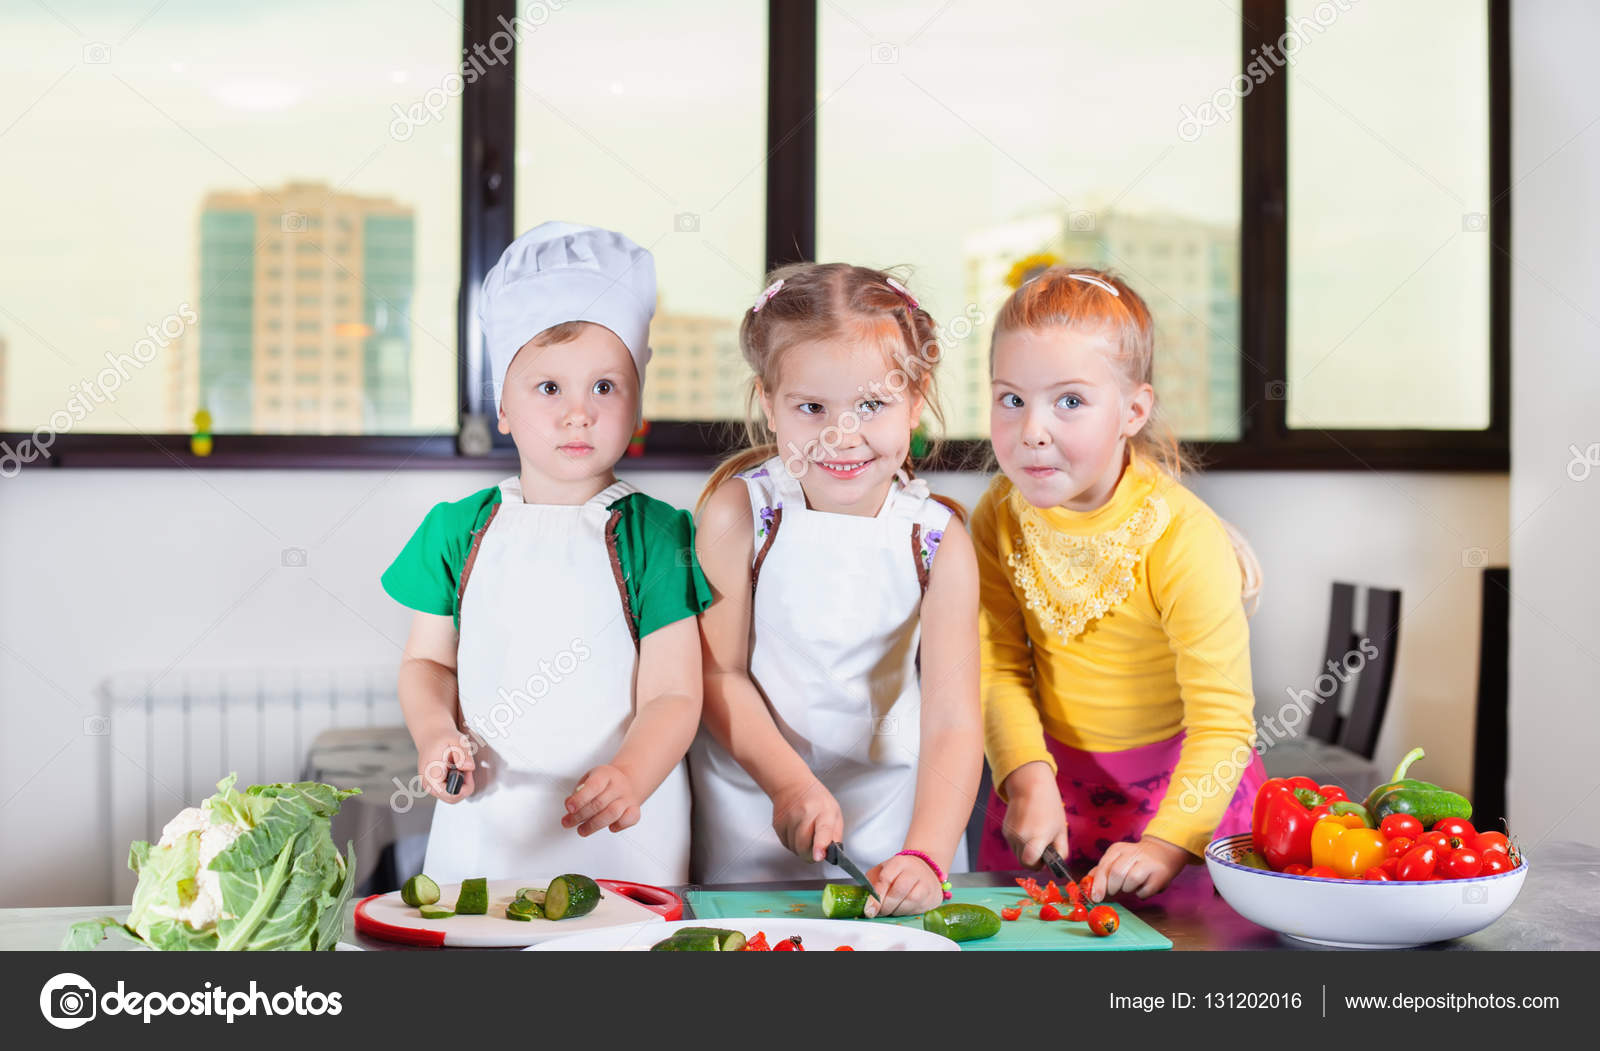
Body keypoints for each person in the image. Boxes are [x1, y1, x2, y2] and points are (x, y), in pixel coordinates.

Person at [381, 222, 710, 885]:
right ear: (501, 403)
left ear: (638, 401)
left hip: (623, 832)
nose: (578, 413)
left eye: (605, 387)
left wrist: (631, 774)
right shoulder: (457, 531)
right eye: (549, 387)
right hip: (484, 828)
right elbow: (425, 662)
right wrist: (433, 733)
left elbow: (674, 694)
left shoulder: (656, 534)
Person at [689, 263, 982, 916]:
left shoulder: (939, 541)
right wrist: (790, 784)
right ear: (769, 401)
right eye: (812, 407)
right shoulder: (742, 515)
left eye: (871, 405)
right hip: (751, 810)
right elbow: (717, 675)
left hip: (894, 826)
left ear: (915, 397)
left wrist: (927, 853)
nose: (841, 434)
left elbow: (954, 720)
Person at [973, 265, 1266, 901]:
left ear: (1134, 410)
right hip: (1049, 790)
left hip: (1184, 801)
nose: (1033, 430)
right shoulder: (997, 514)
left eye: (1070, 401)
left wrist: (1168, 843)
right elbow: (996, 667)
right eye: (1011, 398)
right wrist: (1026, 778)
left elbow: (1223, 724)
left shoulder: (1181, 538)